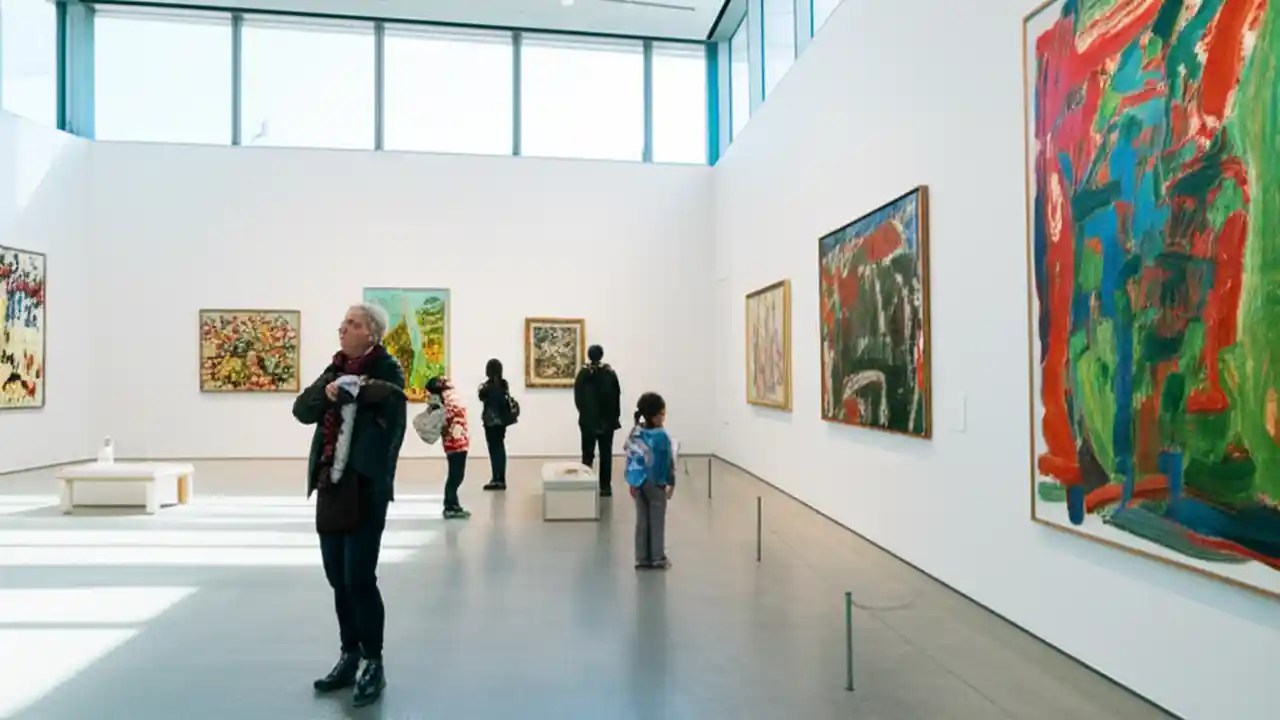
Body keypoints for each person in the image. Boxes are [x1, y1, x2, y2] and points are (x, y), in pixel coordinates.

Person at [292, 303, 406, 708]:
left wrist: (355, 387)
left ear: (371, 334)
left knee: (359, 577)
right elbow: (301, 410)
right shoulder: (334, 369)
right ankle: (349, 653)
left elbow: (391, 404)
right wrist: (327, 392)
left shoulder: (387, 370)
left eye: (352, 324)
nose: (343, 328)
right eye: (343, 323)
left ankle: (373, 662)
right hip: (331, 486)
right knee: (337, 578)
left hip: (365, 488)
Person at [625, 392, 675, 570]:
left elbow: (630, 456)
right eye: (663, 413)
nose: (664, 416)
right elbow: (667, 462)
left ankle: (642, 557)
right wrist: (670, 482)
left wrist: (631, 481)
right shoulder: (661, 437)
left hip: (638, 482)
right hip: (656, 483)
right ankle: (657, 557)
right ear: (656, 416)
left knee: (642, 519)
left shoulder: (635, 433)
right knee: (657, 519)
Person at [574, 344, 621, 496]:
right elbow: (617, 396)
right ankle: (605, 487)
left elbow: (578, 398)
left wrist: (584, 413)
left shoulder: (583, 374)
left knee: (587, 454)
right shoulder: (609, 373)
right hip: (607, 421)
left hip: (589, 420)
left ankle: (586, 484)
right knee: (606, 454)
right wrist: (615, 417)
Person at [428, 376, 471, 518]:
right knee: (456, 475)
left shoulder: (439, 401)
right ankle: (450, 506)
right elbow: (456, 414)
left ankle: (453, 504)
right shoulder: (448, 399)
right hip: (456, 443)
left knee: (455, 475)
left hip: (452, 443)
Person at [478, 358, 514, 491]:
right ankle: (501, 478)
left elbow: (482, 397)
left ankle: (496, 479)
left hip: (491, 423)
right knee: (500, 448)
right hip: (502, 422)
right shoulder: (503, 385)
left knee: (494, 450)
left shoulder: (489, 387)